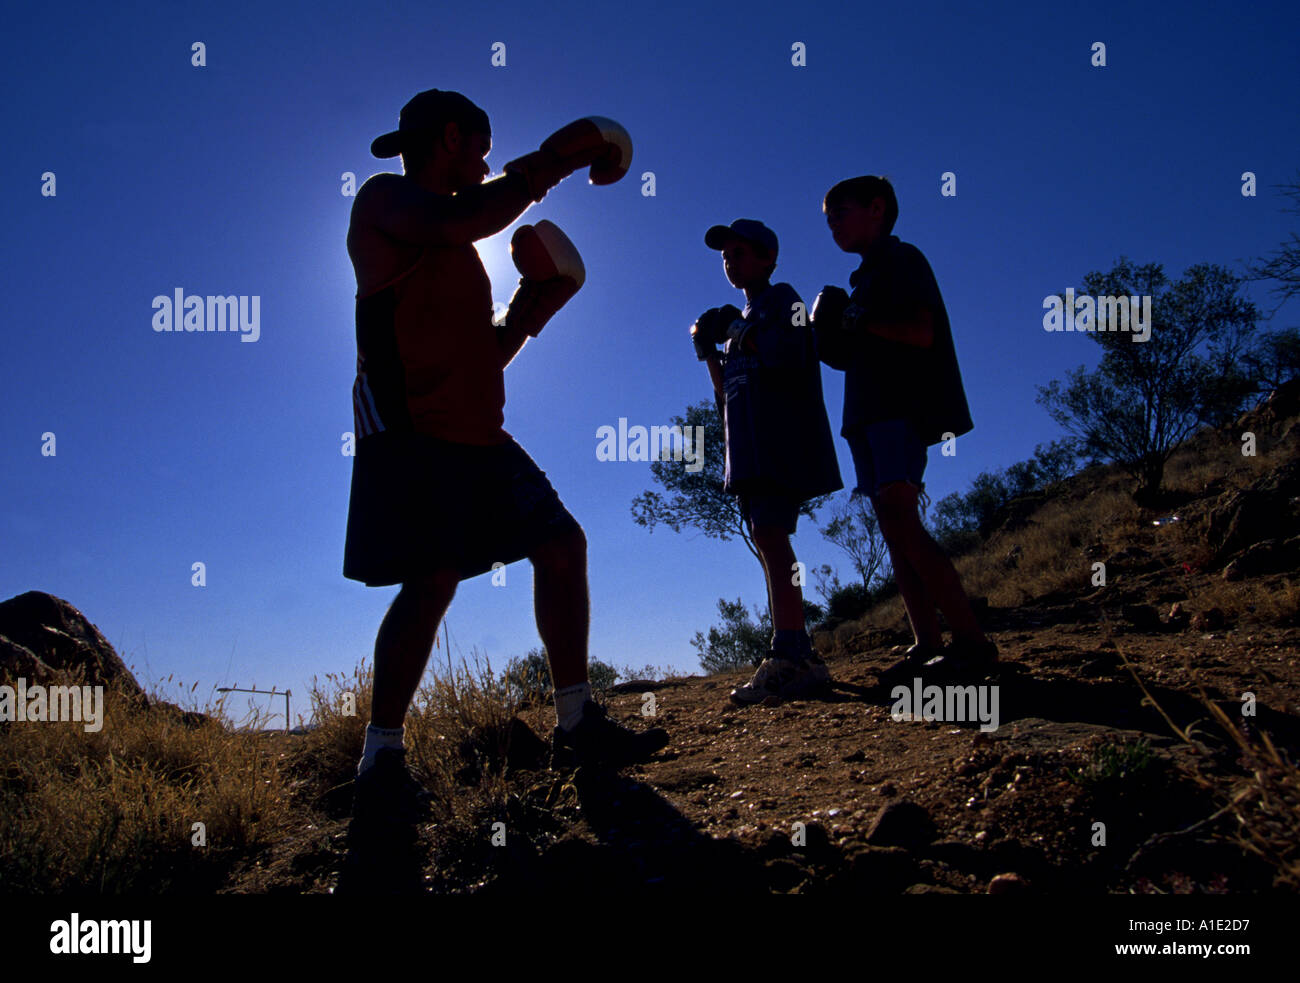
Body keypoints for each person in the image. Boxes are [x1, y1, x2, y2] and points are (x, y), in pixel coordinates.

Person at [343, 90, 668, 826]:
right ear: (454, 137)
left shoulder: (460, 252)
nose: (487, 164)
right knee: (429, 583)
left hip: (478, 435)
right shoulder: (386, 201)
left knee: (561, 545)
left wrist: (535, 303)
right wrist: (554, 160)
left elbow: (485, 354)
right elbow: (468, 215)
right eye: (482, 150)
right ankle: (380, 760)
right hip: (410, 433)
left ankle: (577, 724)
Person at [811, 176, 997, 688]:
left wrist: (856, 317)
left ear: (877, 209)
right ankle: (927, 644)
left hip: (899, 410)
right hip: (865, 414)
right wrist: (831, 330)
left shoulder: (901, 260)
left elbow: (920, 331)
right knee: (891, 526)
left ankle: (972, 643)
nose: (832, 225)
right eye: (827, 219)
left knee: (899, 514)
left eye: (840, 213)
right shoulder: (863, 279)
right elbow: (848, 352)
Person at [691, 219, 842, 705]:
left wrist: (735, 327)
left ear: (767, 258)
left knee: (773, 538)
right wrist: (708, 351)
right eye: (724, 254)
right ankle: (797, 650)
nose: (729, 259)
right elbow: (725, 396)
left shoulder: (784, 301)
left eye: (739, 251)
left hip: (779, 440)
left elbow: (787, 351)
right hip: (749, 446)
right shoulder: (743, 317)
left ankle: (791, 652)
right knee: (767, 538)